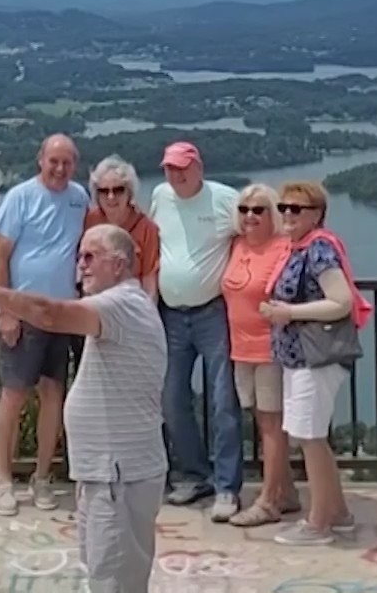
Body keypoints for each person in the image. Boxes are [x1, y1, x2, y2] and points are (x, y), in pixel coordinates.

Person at [0, 225, 167, 593]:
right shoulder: (121, 305)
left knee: (115, 582)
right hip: (105, 474)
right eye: (79, 257)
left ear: (120, 263)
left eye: (90, 256)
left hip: (119, 475)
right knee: (104, 576)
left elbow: (48, 314)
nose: (81, 266)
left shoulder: (121, 304)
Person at [258, 180, 372, 546]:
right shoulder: (299, 247)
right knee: (310, 436)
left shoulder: (319, 249)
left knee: (310, 437)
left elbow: (340, 301)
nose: (288, 214)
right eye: (284, 208)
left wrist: (288, 312)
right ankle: (338, 515)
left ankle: (318, 523)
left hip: (315, 358)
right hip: (300, 358)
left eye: (297, 209)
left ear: (317, 214)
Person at [0, 133, 89, 516]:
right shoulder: (19, 198)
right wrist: (6, 309)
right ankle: (3, 480)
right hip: (24, 314)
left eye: (67, 163)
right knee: (13, 396)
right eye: (54, 161)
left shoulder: (80, 198)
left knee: (53, 397)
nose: (60, 169)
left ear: (75, 165)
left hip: (61, 314)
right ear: (40, 161)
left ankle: (42, 476)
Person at [147, 140, 243, 520]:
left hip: (214, 313)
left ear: (199, 167)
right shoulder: (160, 196)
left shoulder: (225, 199)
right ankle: (192, 475)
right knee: (171, 399)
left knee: (224, 401)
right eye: (170, 168)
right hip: (170, 315)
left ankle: (227, 486)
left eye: (183, 167)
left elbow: (256, 231)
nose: (176, 174)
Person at [219, 182, 299, 527]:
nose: (250, 217)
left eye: (259, 210)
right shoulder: (236, 245)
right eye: (244, 210)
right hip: (240, 348)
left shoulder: (283, 248)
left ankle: (268, 502)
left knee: (271, 425)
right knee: (262, 420)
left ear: (273, 215)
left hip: (270, 349)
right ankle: (287, 491)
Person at [85, 154, 160, 297]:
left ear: (129, 192)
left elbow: (149, 280)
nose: (111, 197)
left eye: (118, 190)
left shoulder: (146, 228)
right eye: (104, 191)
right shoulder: (90, 221)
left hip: (132, 305)